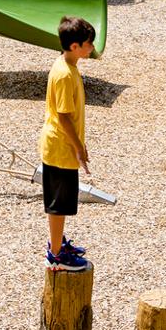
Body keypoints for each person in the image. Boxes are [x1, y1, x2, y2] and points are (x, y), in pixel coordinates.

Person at [38, 16, 96, 270]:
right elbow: (63, 116)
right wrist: (78, 147)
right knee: (59, 204)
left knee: (62, 201)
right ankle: (56, 254)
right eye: (88, 43)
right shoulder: (64, 74)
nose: (92, 47)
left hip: (63, 147)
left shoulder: (69, 65)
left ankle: (57, 242)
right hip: (59, 148)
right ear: (75, 46)